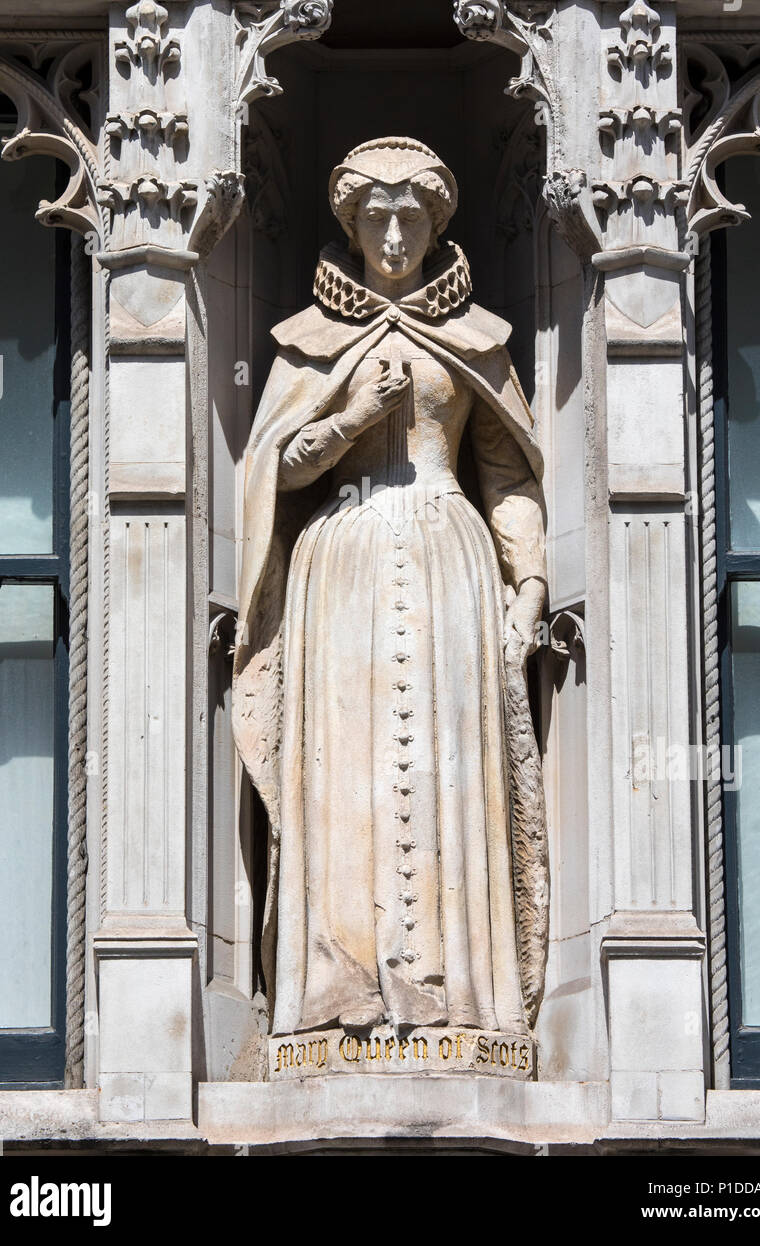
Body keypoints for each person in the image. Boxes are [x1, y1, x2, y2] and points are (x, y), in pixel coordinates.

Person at [233, 137, 548, 1041]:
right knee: (342, 777)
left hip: (451, 561)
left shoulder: (477, 337)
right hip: (338, 572)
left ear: (439, 222)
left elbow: (509, 474)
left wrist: (526, 589)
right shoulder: (306, 341)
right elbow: (276, 474)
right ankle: (337, 995)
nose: (396, 234)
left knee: (447, 766)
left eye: (413, 216)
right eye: (377, 217)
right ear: (351, 224)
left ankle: (456, 999)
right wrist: (353, 421)